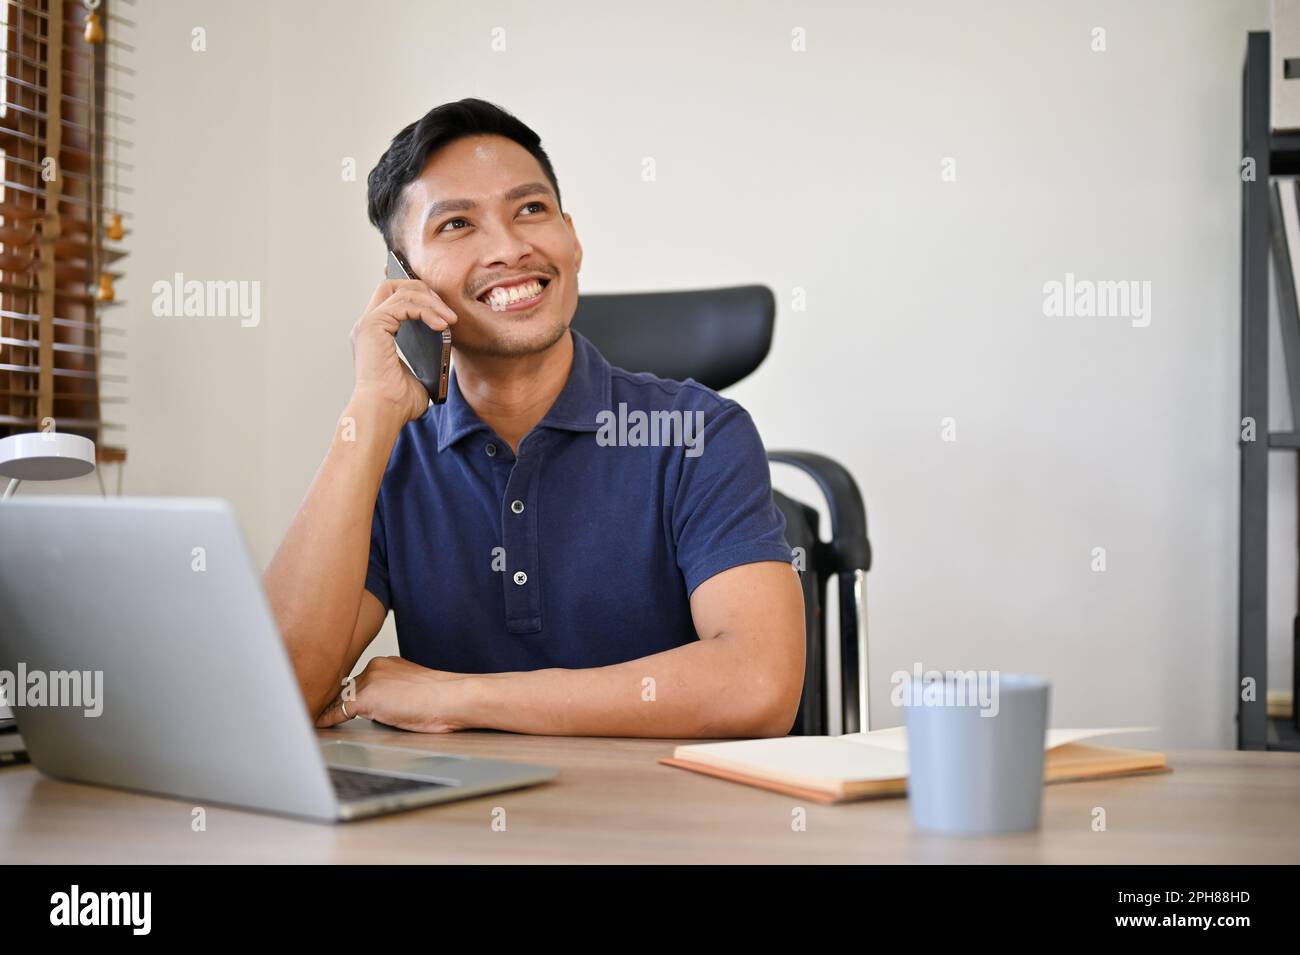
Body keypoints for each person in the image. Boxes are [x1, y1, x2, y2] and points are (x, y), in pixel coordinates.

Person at [263, 98, 804, 738]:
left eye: (530, 210)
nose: (510, 248)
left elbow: (758, 686)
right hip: (451, 830)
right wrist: (368, 415)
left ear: (572, 237)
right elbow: (275, 696)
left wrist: (456, 698)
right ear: (403, 280)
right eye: (457, 225)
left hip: (664, 825)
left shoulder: (698, 433)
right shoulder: (391, 456)